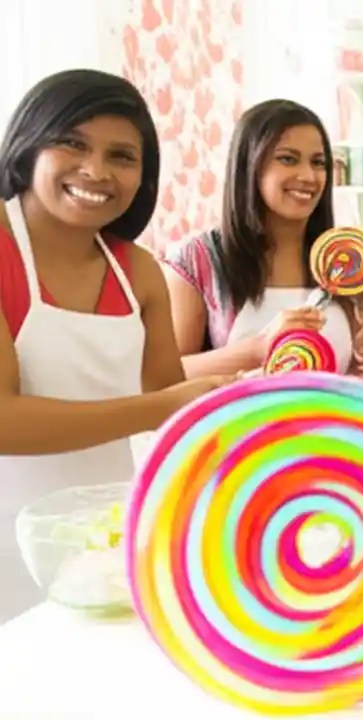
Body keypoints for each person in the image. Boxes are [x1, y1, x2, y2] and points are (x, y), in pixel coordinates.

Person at [0, 70, 229, 620]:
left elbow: (175, 410)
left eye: (122, 156)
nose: (96, 171)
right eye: (73, 143)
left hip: (103, 540)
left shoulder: (137, 270)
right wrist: (164, 406)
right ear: (28, 143)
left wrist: (246, 406)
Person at [164, 99, 363, 377]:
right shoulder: (199, 260)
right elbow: (166, 377)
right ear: (250, 164)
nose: (308, 176)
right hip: (237, 421)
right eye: (288, 159)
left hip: (331, 420)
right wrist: (258, 349)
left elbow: (362, 371)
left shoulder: (345, 261)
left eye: (318, 163)